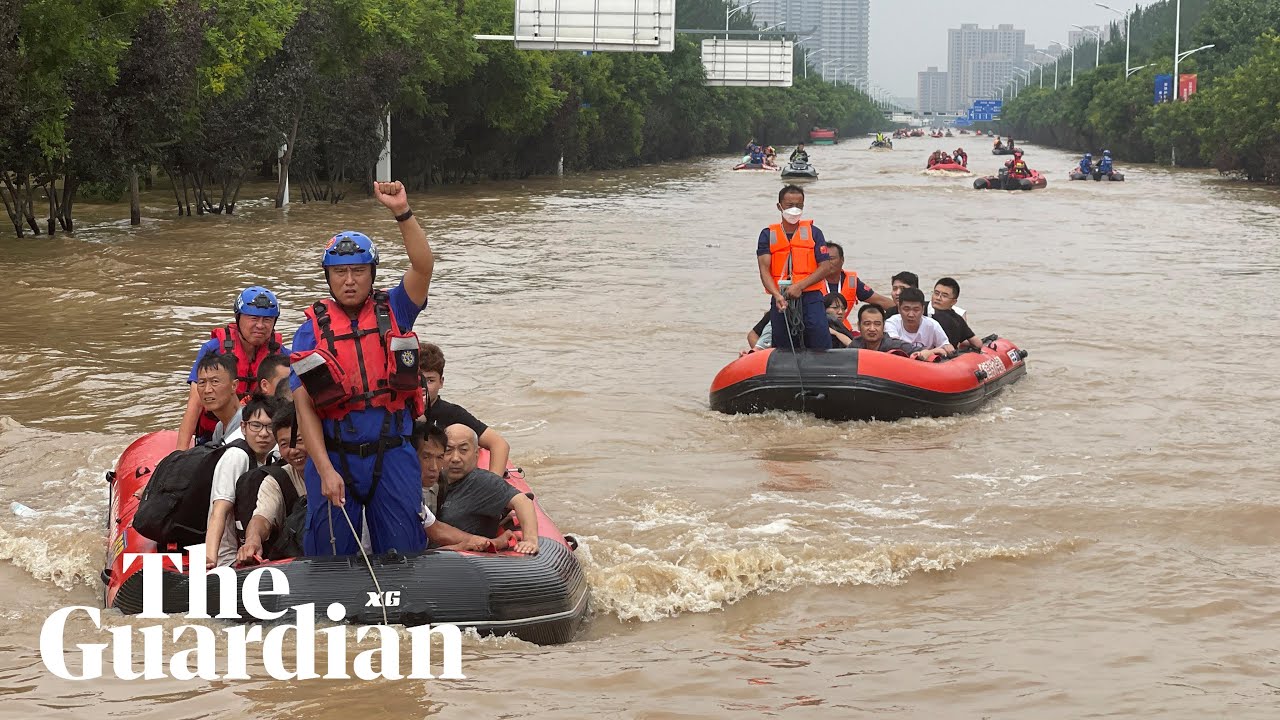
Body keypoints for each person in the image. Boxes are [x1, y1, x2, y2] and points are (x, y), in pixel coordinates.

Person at [289, 180, 434, 557]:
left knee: (405, 552)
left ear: (371, 274)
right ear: (328, 277)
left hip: (393, 453)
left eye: (358, 271)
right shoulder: (311, 331)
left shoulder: (397, 309)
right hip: (336, 455)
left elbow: (424, 264)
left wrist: (401, 211)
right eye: (340, 272)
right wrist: (323, 470)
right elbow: (304, 406)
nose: (349, 280)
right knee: (328, 553)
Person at [176, 286, 286, 450]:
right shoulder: (213, 349)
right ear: (238, 318)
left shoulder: (282, 357)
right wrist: (180, 454)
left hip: (262, 435)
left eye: (267, 320)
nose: (260, 325)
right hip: (213, 434)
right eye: (254, 318)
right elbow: (195, 404)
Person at [756, 184, 839, 351]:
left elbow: (825, 267)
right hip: (781, 297)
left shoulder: (814, 233)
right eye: (789, 205)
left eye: (799, 206)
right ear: (779, 206)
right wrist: (777, 295)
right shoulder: (767, 234)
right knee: (782, 342)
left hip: (811, 296)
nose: (794, 209)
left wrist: (800, 286)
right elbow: (764, 271)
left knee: (819, 340)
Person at [436, 424, 539, 554]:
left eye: (463, 450)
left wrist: (530, 540)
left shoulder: (482, 482)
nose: (455, 458)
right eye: (448, 450)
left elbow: (523, 502)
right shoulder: (433, 479)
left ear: (476, 454)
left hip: (466, 562)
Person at [205, 395, 281, 568]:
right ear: (243, 427)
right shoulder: (236, 457)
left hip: (257, 552)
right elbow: (219, 511)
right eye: (256, 425)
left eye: (270, 427)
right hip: (229, 559)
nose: (263, 433)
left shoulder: (276, 455)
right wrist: (210, 559)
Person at [417, 342, 512, 476]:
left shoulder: (452, 413)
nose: (423, 388)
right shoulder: (394, 412)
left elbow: (499, 444)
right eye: (417, 380)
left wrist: (494, 485)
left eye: (430, 380)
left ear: (441, 382)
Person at [413, 422, 508, 551]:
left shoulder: (483, 481)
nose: (434, 467)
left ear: (476, 454)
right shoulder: (405, 493)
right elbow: (418, 551)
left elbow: (437, 530)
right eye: (426, 457)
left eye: (439, 457)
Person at [237, 401, 309, 565]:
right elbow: (261, 518)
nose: (293, 450)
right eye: (284, 444)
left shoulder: (337, 472)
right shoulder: (276, 481)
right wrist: (253, 540)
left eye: (299, 440)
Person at [822, 241, 893, 332]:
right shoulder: (811, 280)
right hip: (818, 328)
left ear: (842, 260)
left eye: (831, 259)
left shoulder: (851, 281)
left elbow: (880, 301)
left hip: (843, 329)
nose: (827, 263)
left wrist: (902, 312)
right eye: (824, 259)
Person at [849, 304, 943, 359]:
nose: (872, 328)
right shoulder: (856, 344)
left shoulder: (896, 345)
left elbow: (921, 352)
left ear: (883, 326)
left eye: (877, 324)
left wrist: (929, 352)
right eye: (867, 324)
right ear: (859, 325)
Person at [885, 288, 955, 353]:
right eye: (906, 309)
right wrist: (929, 352)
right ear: (899, 309)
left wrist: (947, 348)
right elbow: (895, 345)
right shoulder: (891, 323)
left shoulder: (933, 325)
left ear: (923, 310)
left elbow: (945, 346)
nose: (911, 315)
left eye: (916, 310)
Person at [928, 278, 981, 349]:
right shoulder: (958, 319)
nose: (938, 298)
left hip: (940, 356)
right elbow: (977, 343)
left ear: (953, 302)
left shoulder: (955, 320)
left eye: (944, 296)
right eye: (936, 293)